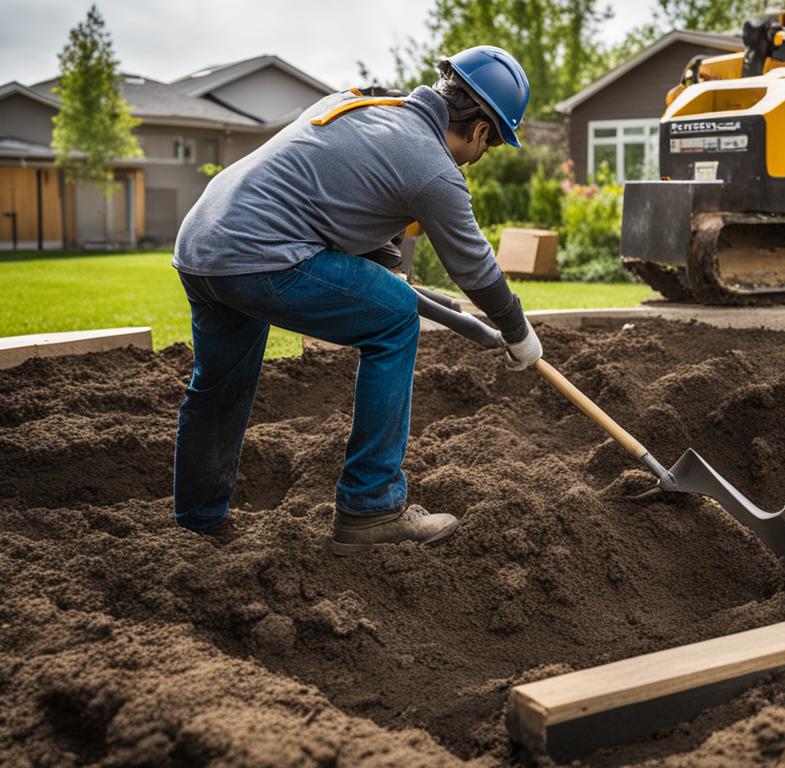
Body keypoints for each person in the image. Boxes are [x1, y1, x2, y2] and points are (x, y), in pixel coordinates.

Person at [170, 46, 539, 554]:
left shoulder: (361, 108)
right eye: (490, 146)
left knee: (220, 384)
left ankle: (198, 520)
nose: (479, 157)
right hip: (262, 252)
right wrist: (517, 331)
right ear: (481, 131)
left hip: (202, 246)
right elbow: (476, 267)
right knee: (394, 319)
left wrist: (412, 285)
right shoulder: (434, 168)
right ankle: (372, 508)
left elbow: (344, 213)